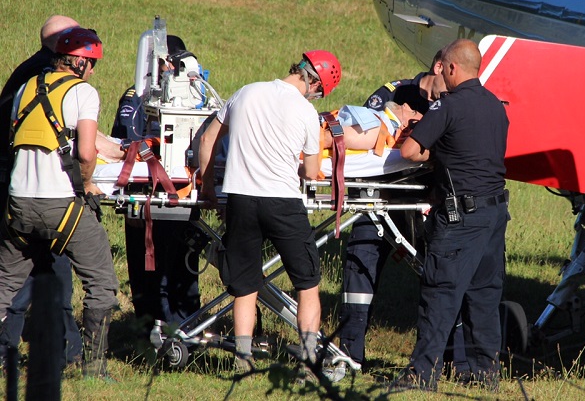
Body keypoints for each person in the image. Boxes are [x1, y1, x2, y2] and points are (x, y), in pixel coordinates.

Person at [198, 50, 341, 372]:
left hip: (240, 199)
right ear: (314, 82)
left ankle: (243, 360)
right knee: (307, 283)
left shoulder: (245, 92)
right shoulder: (305, 111)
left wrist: (208, 188)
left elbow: (207, 140)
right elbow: (312, 170)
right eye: (320, 92)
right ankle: (308, 361)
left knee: (245, 285)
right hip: (282, 203)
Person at [0, 27, 119, 378]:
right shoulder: (83, 91)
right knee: (102, 282)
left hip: (16, 202)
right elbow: (85, 150)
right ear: (79, 61)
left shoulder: (25, 88)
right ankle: (94, 368)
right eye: (92, 63)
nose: (94, 70)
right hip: (60, 205)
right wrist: (87, 183)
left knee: (5, 284)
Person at [396, 38, 510, 390]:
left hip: (461, 217)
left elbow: (409, 152)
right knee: (484, 297)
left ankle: (421, 375)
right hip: (495, 213)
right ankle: (484, 376)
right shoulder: (496, 106)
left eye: (443, 67)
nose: (440, 73)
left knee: (441, 294)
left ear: (453, 68)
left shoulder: (447, 106)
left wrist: (434, 153)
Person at [337, 52, 460, 372]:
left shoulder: (452, 101)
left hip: (425, 199)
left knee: (445, 269)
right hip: (381, 193)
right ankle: (350, 350)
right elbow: (366, 132)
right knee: (361, 250)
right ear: (438, 68)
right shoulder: (394, 94)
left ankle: (445, 356)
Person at [0, 15, 82, 369]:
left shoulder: (28, 73)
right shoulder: (43, 78)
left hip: (20, 188)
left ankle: (17, 348)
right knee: (51, 270)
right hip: (43, 193)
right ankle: (70, 352)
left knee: (28, 272)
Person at [110, 35, 201, 331]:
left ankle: (184, 325)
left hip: (179, 194)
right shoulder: (135, 97)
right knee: (146, 267)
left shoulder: (193, 97)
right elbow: (124, 139)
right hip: (146, 194)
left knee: (181, 269)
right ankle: (151, 327)